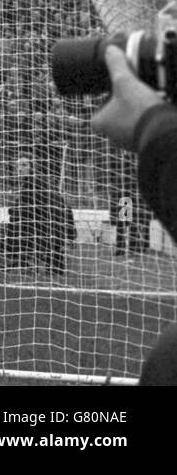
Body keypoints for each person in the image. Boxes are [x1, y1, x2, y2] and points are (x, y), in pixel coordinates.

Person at [90, 44, 177, 385]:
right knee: (124, 219)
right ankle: (125, 247)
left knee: (129, 219)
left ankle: (130, 248)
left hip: (130, 192)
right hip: (124, 192)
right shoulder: (118, 161)